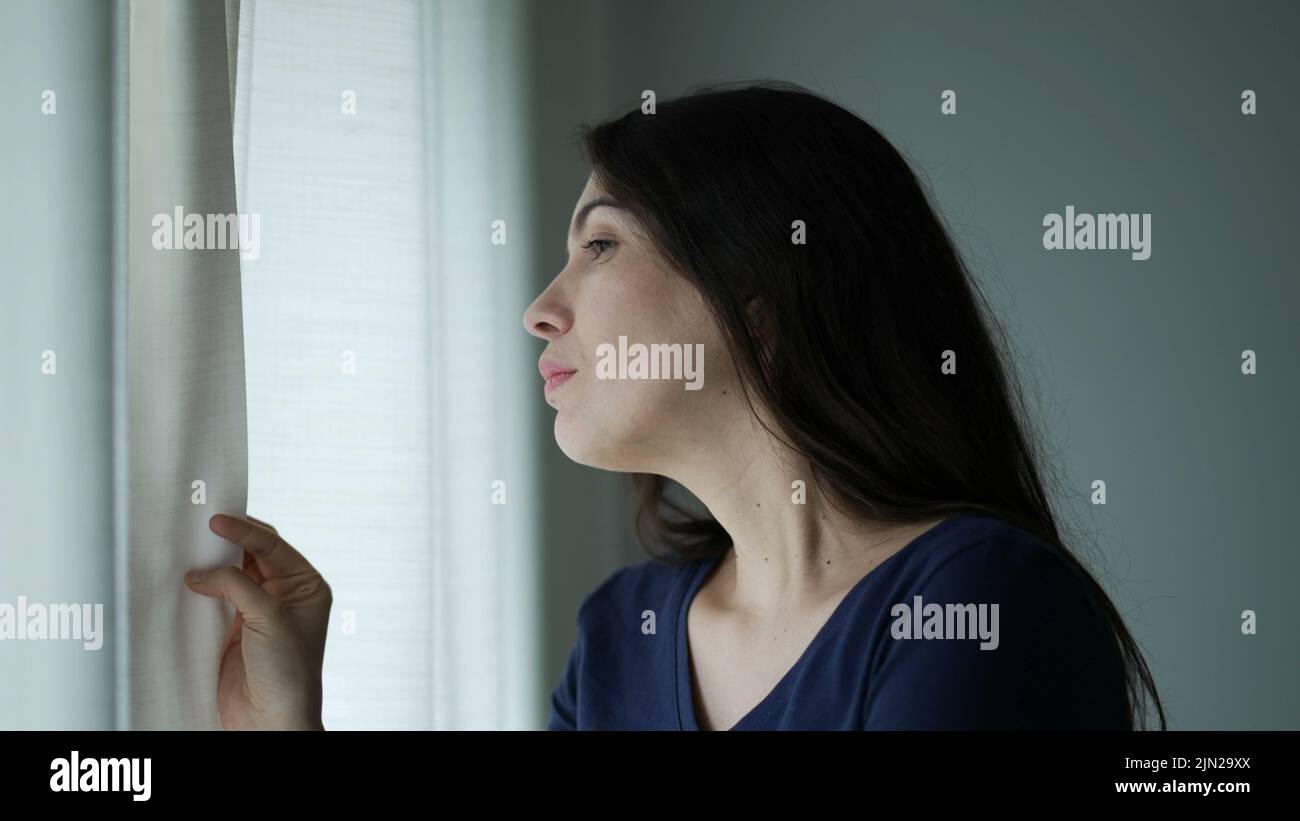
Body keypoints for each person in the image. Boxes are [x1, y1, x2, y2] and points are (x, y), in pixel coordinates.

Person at [187, 80, 1165, 731]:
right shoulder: (622, 633)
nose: (539, 309)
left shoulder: (975, 603)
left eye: (599, 244)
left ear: (757, 299)